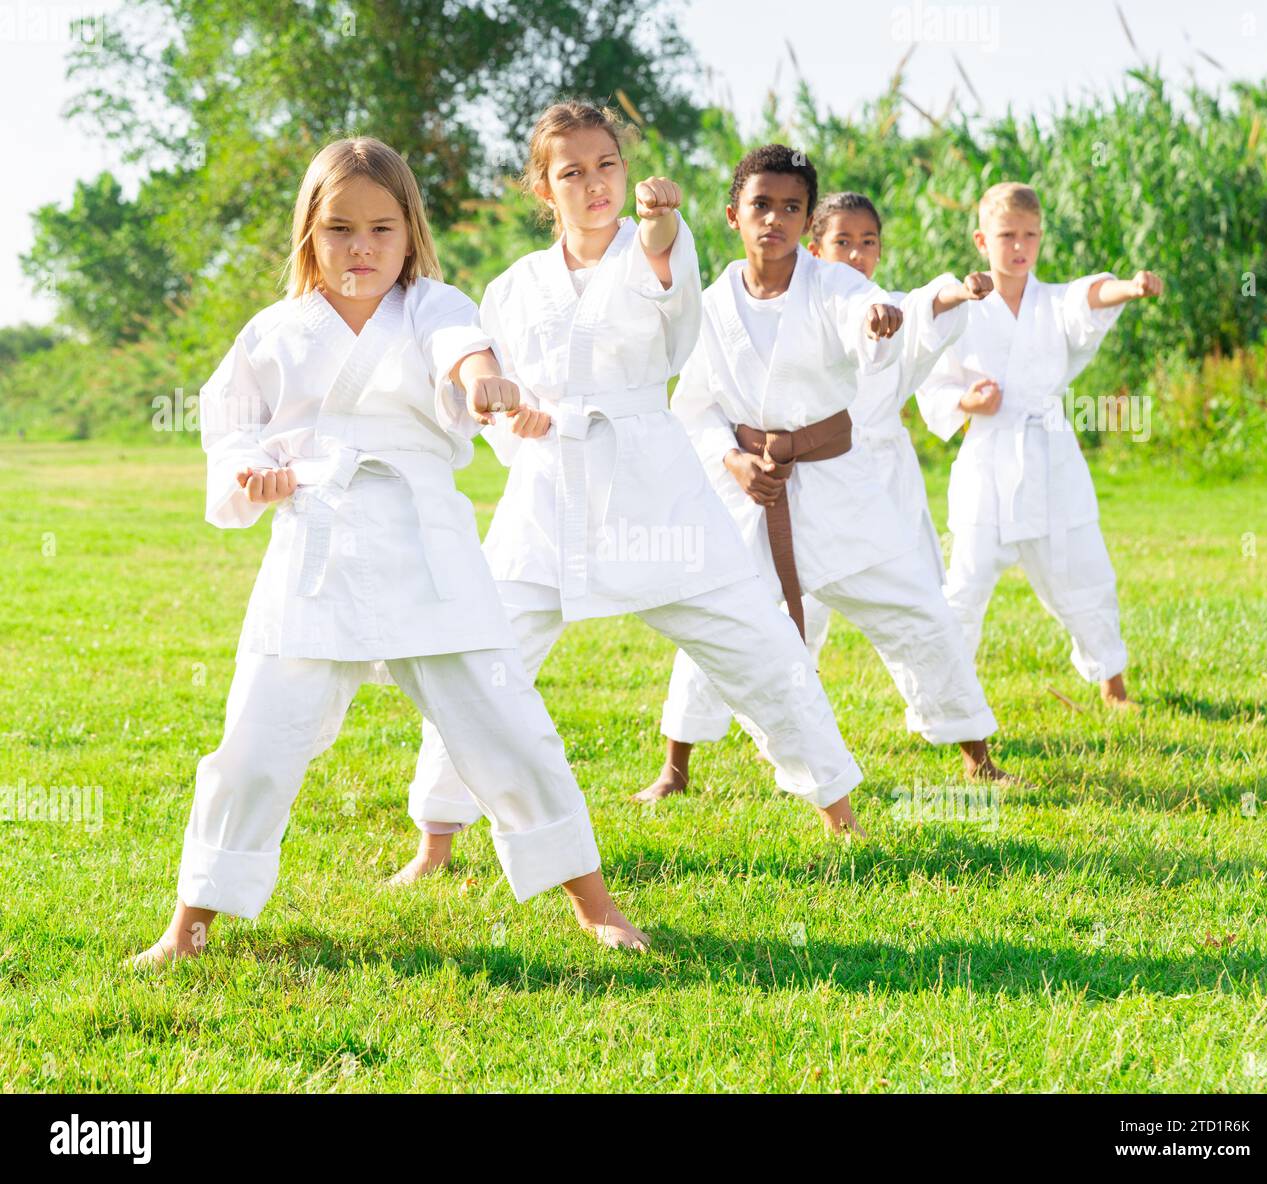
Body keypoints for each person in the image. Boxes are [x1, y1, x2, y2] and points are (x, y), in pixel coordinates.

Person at [133, 136, 649, 966]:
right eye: (340, 229)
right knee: (254, 742)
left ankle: (593, 901)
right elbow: (230, 431)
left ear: (409, 231)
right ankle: (190, 923)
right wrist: (251, 473)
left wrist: (485, 381)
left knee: (509, 727)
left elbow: (466, 351)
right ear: (309, 232)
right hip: (316, 548)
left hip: (430, 553)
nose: (361, 248)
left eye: (381, 228)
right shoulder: (273, 333)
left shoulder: (435, 306)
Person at [393, 103, 882, 886]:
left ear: (628, 173)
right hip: (550, 493)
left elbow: (668, 292)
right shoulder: (513, 287)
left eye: (607, 165)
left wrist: (659, 224)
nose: (594, 183)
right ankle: (437, 835)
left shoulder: (658, 246)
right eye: (572, 172)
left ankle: (839, 808)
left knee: (757, 640)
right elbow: (485, 394)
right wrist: (513, 416)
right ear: (543, 188)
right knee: (481, 656)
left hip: (655, 489)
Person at [641, 154, 1010, 805]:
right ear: (735, 216)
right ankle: (676, 767)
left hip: (838, 486)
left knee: (916, 609)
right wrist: (731, 459)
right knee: (719, 625)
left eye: (790, 208)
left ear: (805, 220)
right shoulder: (714, 304)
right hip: (750, 487)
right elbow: (694, 405)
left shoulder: (836, 287)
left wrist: (878, 324)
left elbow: (868, 313)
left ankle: (974, 752)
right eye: (762, 205)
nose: (775, 219)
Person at [916, 181, 1163, 708]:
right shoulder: (965, 308)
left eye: (1030, 235)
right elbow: (935, 384)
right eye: (1007, 235)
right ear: (982, 239)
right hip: (987, 461)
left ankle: (1112, 682)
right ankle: (946, 697)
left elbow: (1089, 297)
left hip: (1051, 459)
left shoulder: (1053, 301)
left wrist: (1132, 288)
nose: (1020, 246)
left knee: (1082, 568)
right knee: (966, 580)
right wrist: (968, 403)